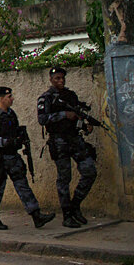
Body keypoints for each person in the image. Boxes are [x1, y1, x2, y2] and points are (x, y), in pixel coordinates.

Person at [0, 86, 55, 230]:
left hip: (13, 157)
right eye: (9, 96)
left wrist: (20, 138)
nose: (12, 99)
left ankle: (36, 215)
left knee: (23, 186)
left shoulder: (11, 114)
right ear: (1, 98)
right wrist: (8, 142)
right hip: (0, 158)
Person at [37, 67, 98, 228]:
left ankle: (75, 205)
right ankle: (67, 215)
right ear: (51, 79)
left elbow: (77, 114)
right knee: (64, 179)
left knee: (90, 171)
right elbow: (42, 119)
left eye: (62, 78)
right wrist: (64, 115)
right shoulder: (46, 98)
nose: (61, 81)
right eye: (57, 78)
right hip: (59, 141)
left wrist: (85, 126)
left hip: (75, 139)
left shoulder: (71, 96)